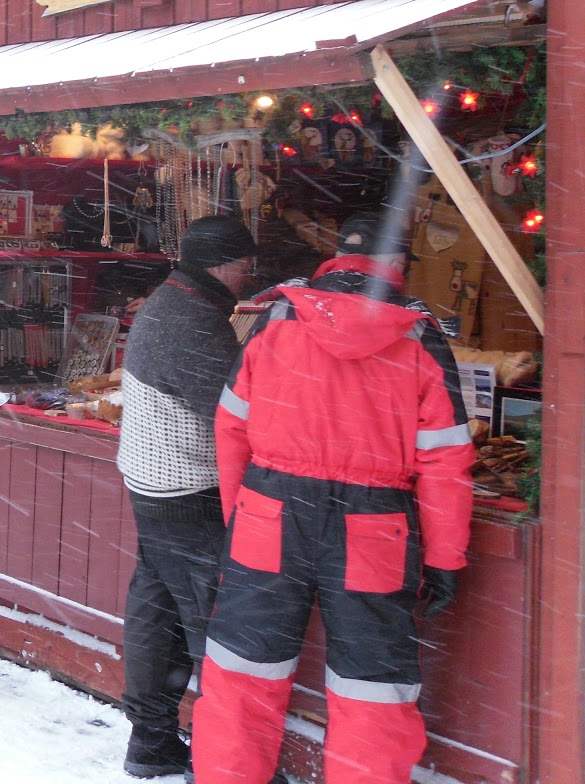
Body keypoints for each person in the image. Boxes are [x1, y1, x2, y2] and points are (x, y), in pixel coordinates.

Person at [191, 211, 475, 784]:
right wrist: (445, 557)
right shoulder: (418, 335)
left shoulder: (277, 319)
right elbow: (445, 460)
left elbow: (231, 427)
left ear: (337, 257)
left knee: (242, 672)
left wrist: (240, 515)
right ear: (395, 263)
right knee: (371, 685)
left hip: (269, 511)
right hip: (374, 524)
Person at [116, 216, 258, 779]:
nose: (249, 275)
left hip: (152, 485)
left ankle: (150, 741)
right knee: (214, 626)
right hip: (188, 489)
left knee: (158, 614)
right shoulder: (195, 320)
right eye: (246, 264)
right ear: (222, 265)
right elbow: (236, 417)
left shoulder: (170, 300)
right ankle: (225, 761)